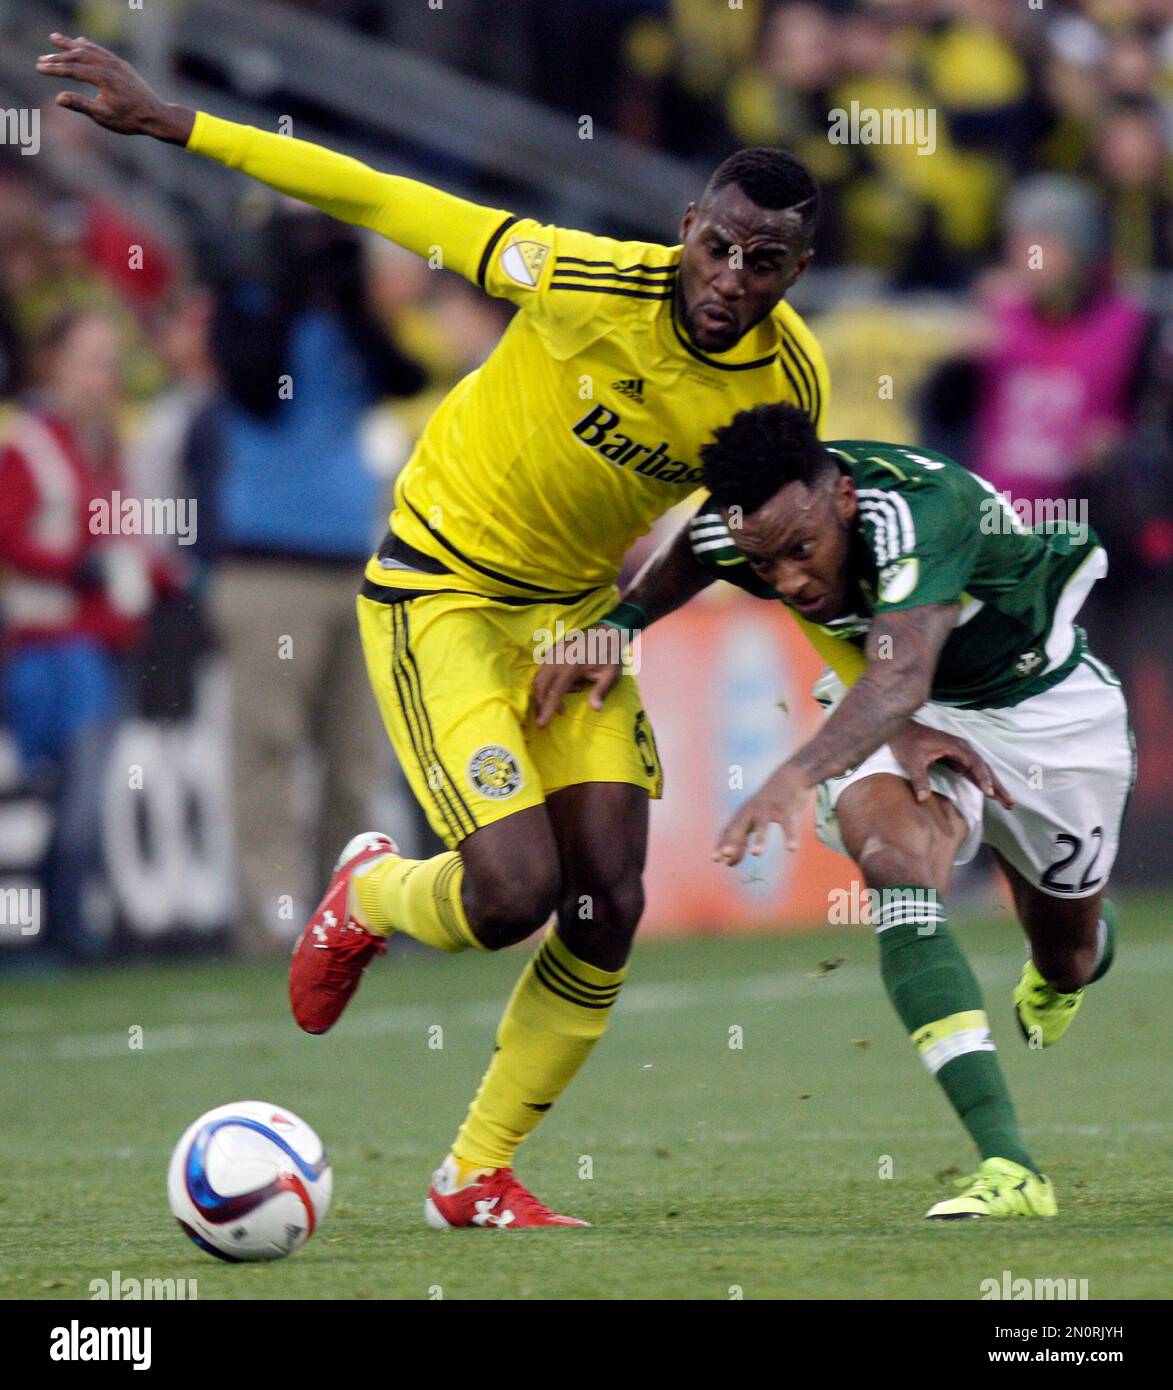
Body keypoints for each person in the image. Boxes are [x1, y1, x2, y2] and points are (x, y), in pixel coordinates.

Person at [37, 32, 843, 1227]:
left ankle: (472, 1176)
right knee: (513, 890)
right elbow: (385, 195)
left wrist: (847, 688)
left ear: (798, 268)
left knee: (607, 899)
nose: (730, 276)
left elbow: (769, 544)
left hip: (572, 618)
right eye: (717, 245)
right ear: (685, 225)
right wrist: (178, 125)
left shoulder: (787, 386)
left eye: (763, 262)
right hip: (443, 592)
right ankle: (368, 895)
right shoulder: (572, 276)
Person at [579, 402, 1132, 1220]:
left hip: (1041, 712)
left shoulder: (920, 506)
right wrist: (617, 624)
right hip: (895, 710)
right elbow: (688, 555)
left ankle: (1079, 938)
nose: (791, 583)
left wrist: (791, 777)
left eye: (801, 553)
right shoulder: (758, 521)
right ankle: (1008, 1167)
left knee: (1066, 959)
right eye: (767, 569)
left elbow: (901, 673)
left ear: (841, 497)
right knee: (893, 861)